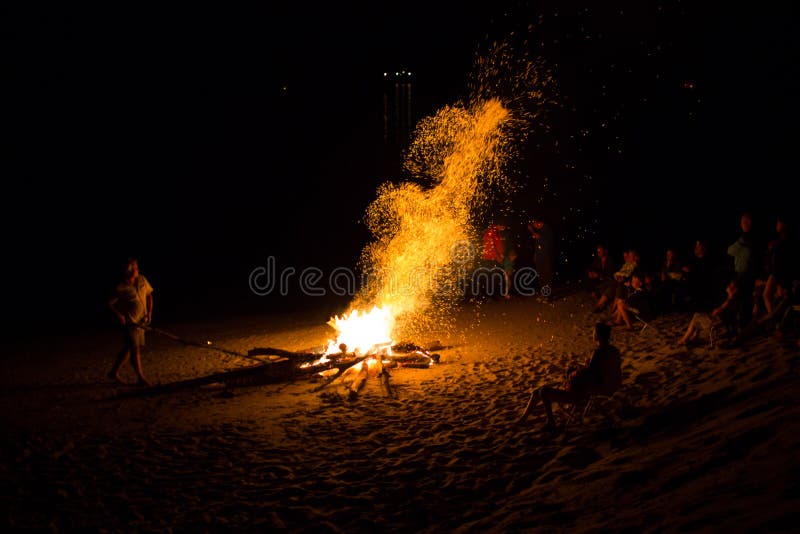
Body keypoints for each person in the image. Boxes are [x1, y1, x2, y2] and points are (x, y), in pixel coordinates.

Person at [516, 322, 622, 432]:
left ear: (598, 335)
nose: (592, 333)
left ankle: (551, 422)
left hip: (584, 392)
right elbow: (602, 370)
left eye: (593, 331)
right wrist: (584, 368)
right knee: (537, 392)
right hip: (608, 385)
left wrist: (576, 372)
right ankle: (523, 419)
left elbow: (589, 373)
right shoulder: (614, 350)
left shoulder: (598, 352)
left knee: (543, 391)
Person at [108, 258, 154, 386]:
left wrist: (149, 313)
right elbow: (110, 304)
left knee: (129, 348)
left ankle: (114, 372)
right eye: (135, 268)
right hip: (130, 323)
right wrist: (119, 315)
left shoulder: (142, 280)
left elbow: (149, 295)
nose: (138, 269)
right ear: (129, 271)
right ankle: (141, 377)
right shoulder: (121, 287)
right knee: (135, 348)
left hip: (141, 322)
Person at [527, 218, 555, 299]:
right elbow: (537, 244)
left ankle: (548, 296)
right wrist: (535, 255)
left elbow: (538, 237)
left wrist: (531, 230)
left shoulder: (547, 229)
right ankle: (544, 293)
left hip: (546, 256)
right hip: (540, 256)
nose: (534, 226)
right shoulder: (539, 230)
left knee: (547, 276)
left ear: (538, 222)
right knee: (541, 275)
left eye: (534, 224)